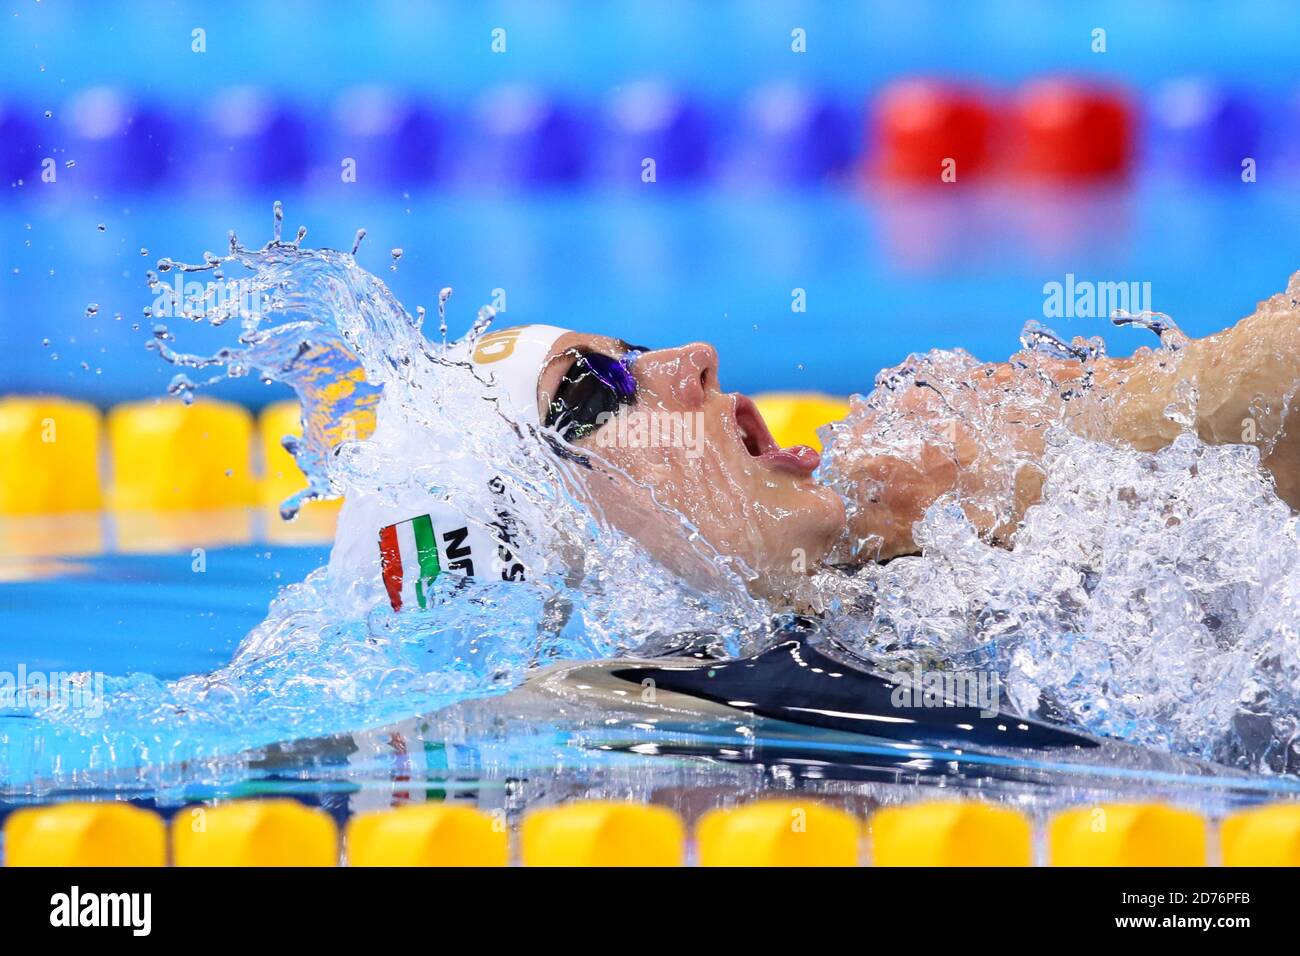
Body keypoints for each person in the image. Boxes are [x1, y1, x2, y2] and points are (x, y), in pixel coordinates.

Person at [346, 279, 1300, 610]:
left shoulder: (969, 560)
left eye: (632, 350)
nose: (692, 358)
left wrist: (1096, 446)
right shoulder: (710, 755)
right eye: (599, 388)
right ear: (549, 545)